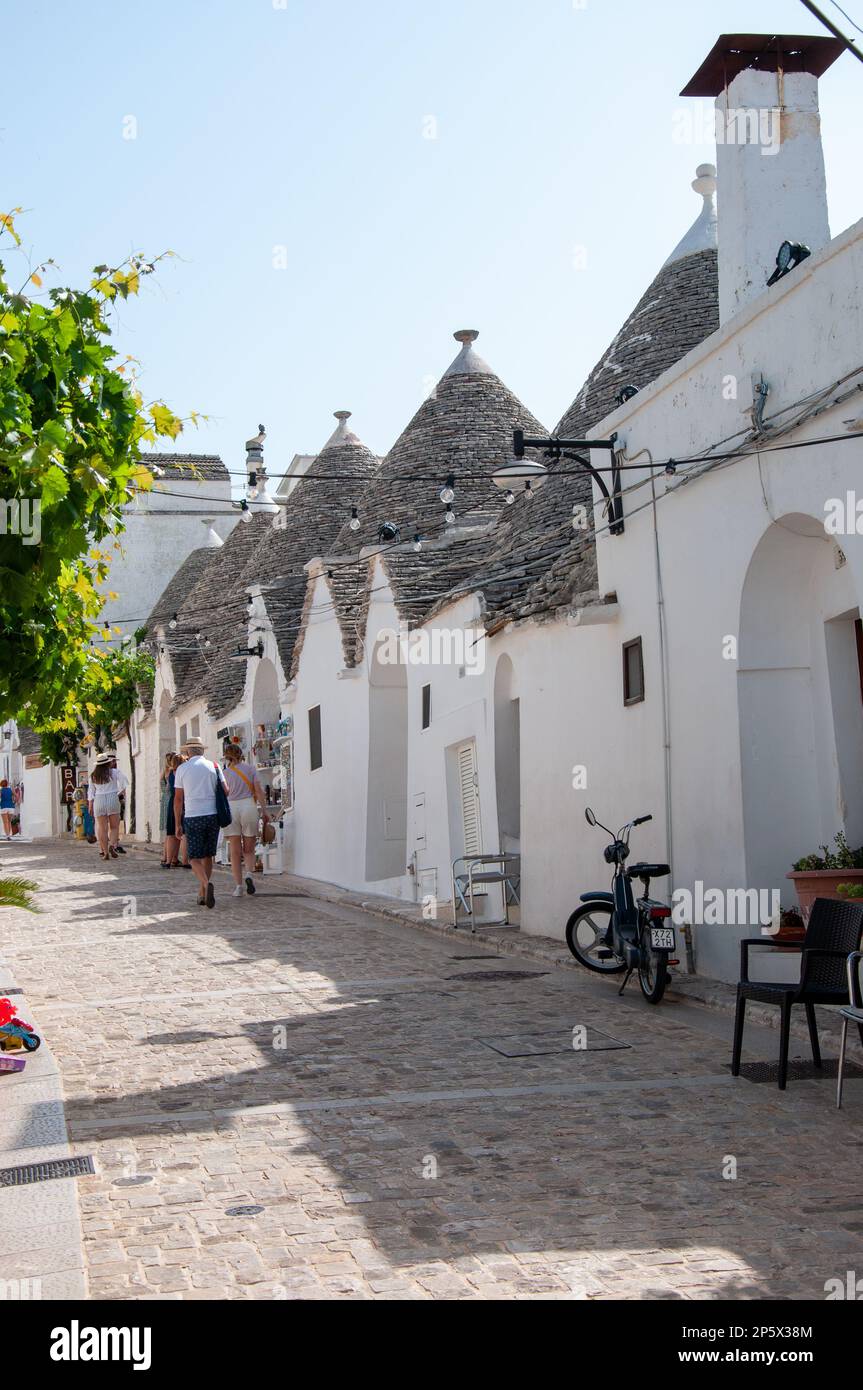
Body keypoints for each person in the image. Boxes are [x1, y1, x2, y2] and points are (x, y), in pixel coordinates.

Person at [173, 738, 227, 909]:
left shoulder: (182, 769)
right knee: (208, 856)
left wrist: (177, 823)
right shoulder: (215, 766)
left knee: (193, 858)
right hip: (212, 815)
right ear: (202, 750)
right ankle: (202, 892)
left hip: (193, 816)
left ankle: (205, 884)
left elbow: (178, 799)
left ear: (188, 752)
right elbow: (226, 790)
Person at [222, 742, 269, 898]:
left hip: (231, 808)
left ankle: (238, 887)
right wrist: (264, 811)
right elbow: (259, 791)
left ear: (227, 757)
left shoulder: (225, 773)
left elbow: (223, 794)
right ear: (241, 755)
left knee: (235, 852)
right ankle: (249, 874)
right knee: (249, 848)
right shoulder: (250, 769)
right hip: (249, 806)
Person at [88, 752, 123, 860]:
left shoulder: (93, 776)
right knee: (114, 826)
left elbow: (91, 792)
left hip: (99, 800)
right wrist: (118, 793)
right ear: (108, 763)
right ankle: (112, 845)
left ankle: (105, 851)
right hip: (112, 797)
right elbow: (124, 784)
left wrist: (90, 804)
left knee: (102, 828)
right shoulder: (114, 772)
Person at [161, 753, 190, 868]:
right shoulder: (183, 774)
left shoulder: (170, 773)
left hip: (172, 802)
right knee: (184, 834)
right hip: (182, 801)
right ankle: (185, 861)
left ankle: (168, 861)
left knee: (171, 833)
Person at [111, 757, 128, 853]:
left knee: (116, 823)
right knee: (115, 824)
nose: (115, 763)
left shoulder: (116, 773)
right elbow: (124, 784)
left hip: (116, 798)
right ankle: (114, 844)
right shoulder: (115, 773)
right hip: (115, 799)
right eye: (113, 761)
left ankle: (114, 843)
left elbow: (123, 785)